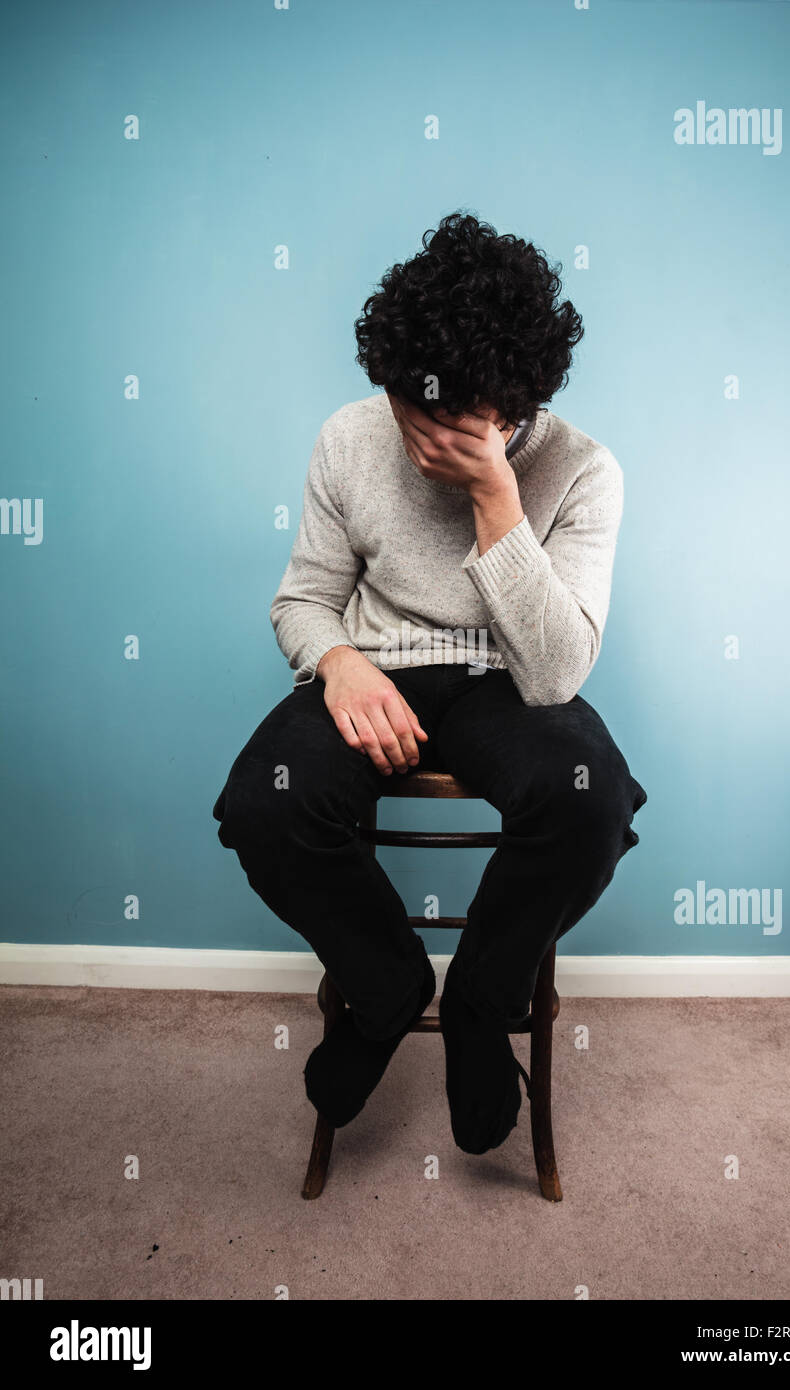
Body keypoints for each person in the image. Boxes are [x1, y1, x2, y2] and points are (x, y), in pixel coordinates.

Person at [212, 210, 647, 1156]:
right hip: (377, 667)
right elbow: (304, 600)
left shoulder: (584, 471)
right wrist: (339, 663)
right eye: (408, 404)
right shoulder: (349, 436)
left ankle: (481, 1006)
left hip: (510, 682)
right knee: (261, 806)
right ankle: (388, 988)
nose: (416, 435)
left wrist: (496, 495)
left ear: (511, 407)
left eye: (447, 420)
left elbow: (556, 672)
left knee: (592, 800)